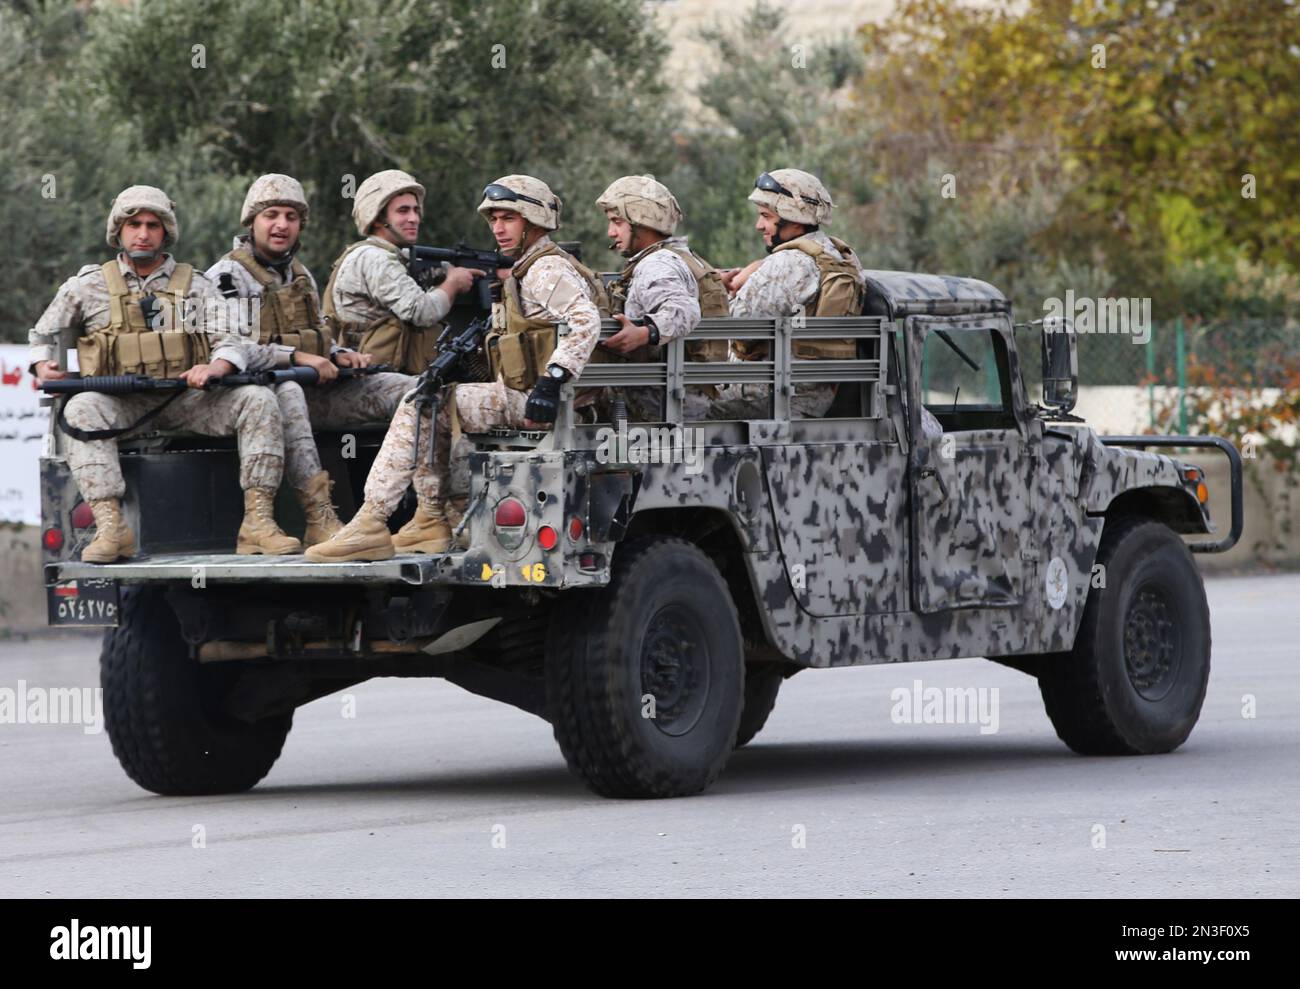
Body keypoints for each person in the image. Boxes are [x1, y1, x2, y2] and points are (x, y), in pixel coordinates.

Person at [306, 174, 604, 563]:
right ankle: (430, 517)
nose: (497, 228)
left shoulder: (545, 270)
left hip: (542, 401)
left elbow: (586, 320)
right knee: (433, 400)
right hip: (533, 396)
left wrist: (553, 381)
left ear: (532, 220)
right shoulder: (532, 267)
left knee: (420, 403)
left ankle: (372, 521)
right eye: (493, 218)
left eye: (507, 218)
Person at [29, 185, 298, 561]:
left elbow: (233, 338)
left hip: (187, 400)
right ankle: (112, 529)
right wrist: (44, 364)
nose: (143, 233)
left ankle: (258, 523)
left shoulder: (196, 285)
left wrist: (215, 366)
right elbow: (42, 331)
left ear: (165, 232)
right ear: (118, 231)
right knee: (80, 409)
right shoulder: (87, 285)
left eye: (153, 225)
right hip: (122, 404)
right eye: (134, 224)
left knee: (258, 399)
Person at [207, 173, 415, 545]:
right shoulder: (226, 278)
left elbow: (318, 332)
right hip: (262, 399)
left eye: (291, 216)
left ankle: (431, 510)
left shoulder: (299, 275)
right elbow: (231, 346)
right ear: (252, 221)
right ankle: (319, 517)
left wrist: (340, 354)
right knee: (285, 390)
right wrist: (299, 357)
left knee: (413, 391)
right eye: (271, 214)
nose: (281, 225)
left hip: (316, 394)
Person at [709, 168, 864, 420]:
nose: (759, 225)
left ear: (793, 218)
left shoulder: (788, 262)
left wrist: (717, 291)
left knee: (668, 396)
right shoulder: (840, 254)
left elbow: (737, 327)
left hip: (770, 394)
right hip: (812, 394)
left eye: (765, 216)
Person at [321, 169, 483, 374]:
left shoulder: (393, 256)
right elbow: (420, 311)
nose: (414, 218)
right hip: (364, 374)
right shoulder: (374, 258)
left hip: (381, 370)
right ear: (378, 218)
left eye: (416, 210)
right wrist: (452, 284)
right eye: (403, 211)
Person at [596, 175, 729, 420]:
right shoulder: (677, 255)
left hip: (659, 402)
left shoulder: (657, 264)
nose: (610, 232)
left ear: (641, 222)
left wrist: (644, 333)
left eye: (617, 222)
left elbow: (684, 309)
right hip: (677, 396)